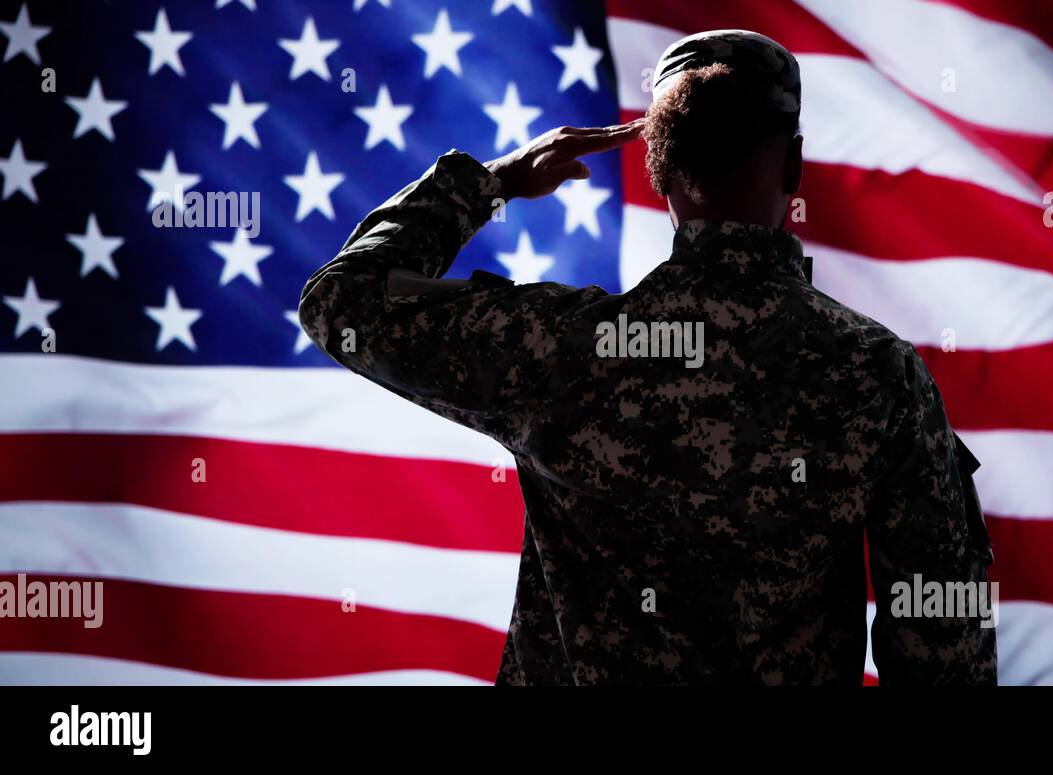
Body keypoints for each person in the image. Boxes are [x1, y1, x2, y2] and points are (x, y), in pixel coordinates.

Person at [300, 29, 996, 685]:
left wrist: (492, 183)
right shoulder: (877, 375)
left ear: (658, 170)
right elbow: (944, 642)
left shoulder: (559, 348)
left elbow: (343, 301)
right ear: (794, 163)